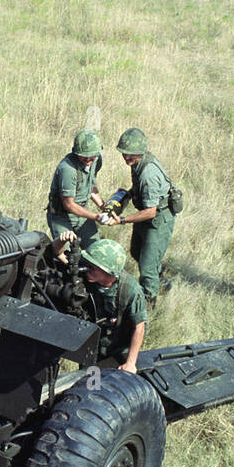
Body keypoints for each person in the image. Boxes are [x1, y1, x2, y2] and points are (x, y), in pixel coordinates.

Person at [99, 127, 177, 305]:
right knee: (136, 251)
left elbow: (151, 211)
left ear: (140, 152)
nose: (126, 158)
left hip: (158, 221)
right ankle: (161, 282)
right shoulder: (138, 163)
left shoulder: (148, 175)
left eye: (131, 155)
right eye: (124, 153)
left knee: (147, 268)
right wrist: (124, 196)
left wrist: (121, 220)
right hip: (146, 214)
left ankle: (148, 306)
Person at [81, 240, 147, 374]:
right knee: (89, 382)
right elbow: (61, 257)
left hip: (118, 348)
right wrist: (61, 241)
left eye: (93, 267)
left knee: (111, 384)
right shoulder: (88, 275)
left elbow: (139, 327)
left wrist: (130, 363)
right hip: (92, 344)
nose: (87, 269)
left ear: (110, 273)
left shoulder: (130, 290)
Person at [47, 129, 105, 245]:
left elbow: (90, 185)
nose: (88, 160)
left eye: (91, 156)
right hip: (62, 216)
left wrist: (103, 206)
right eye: (84, 156)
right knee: (66, 255)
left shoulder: (96, 161)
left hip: (82, 213)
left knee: (95, 249)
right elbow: (69, 205)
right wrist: (96, 217)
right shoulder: (68, 169)